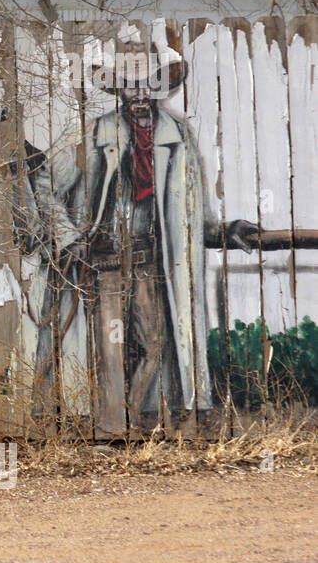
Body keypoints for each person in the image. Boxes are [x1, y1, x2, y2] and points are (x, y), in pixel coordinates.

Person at [32, 38, 259, 432]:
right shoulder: (93, 132)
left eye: (148, 85)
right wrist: (68, 238)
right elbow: (44, 182)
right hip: (104, 265)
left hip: (149, 264)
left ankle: (127, 421)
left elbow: (193, 215)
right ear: (119, 89)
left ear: (159, 88)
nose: (139, 94)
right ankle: (111, 430)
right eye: (130, 85)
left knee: (154, 346)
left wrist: (226, 231)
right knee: (111, 350)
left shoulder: (178, 135)